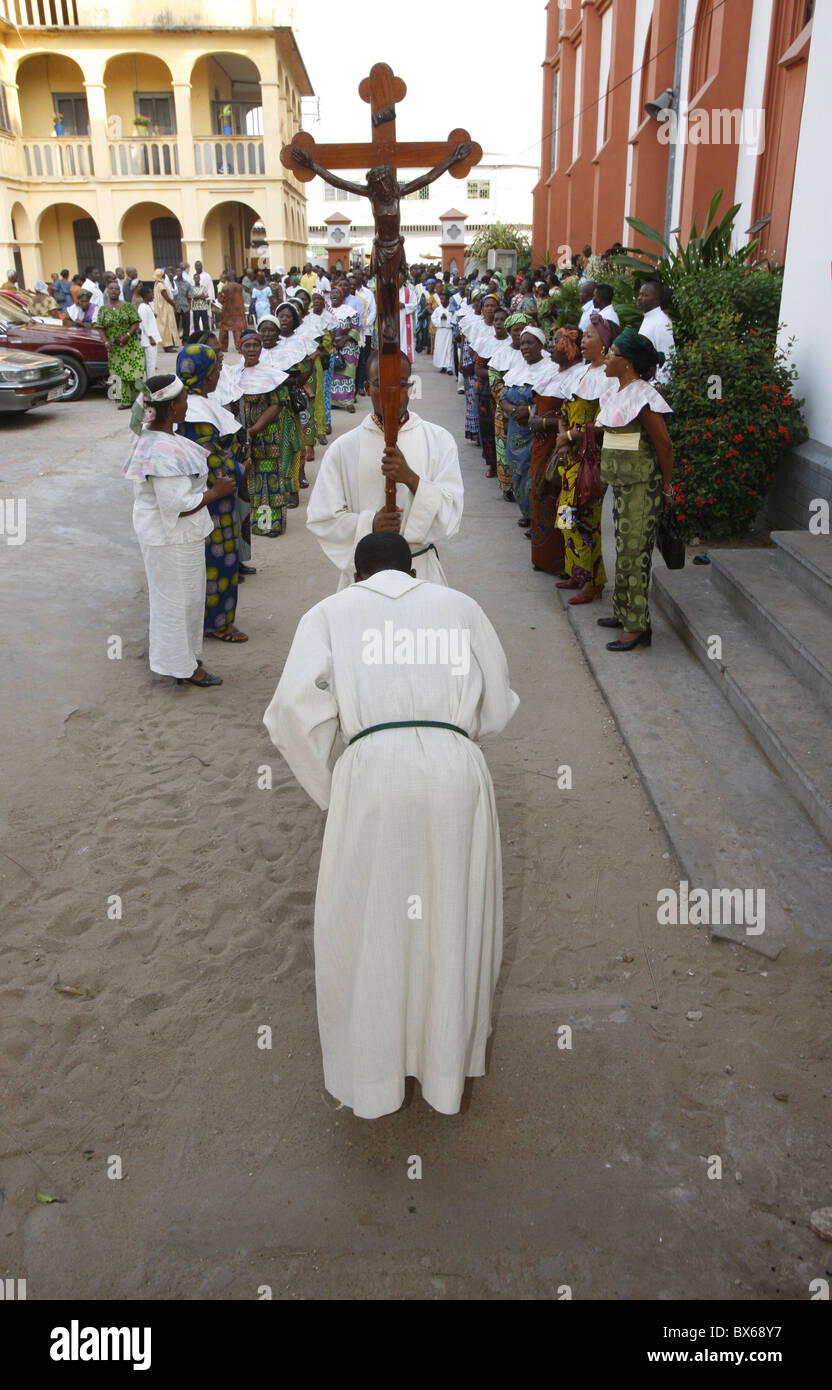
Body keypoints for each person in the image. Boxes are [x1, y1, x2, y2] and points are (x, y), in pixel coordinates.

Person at [263, 529, 519, 1119]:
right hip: (457, 773)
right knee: (450, 919)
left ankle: (377, 1079)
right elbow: (499, 704)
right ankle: (442, 1071)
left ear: (358, 574)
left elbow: (288, 717)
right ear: (414, 571)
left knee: (369, 925)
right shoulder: (461, 607)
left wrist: (335, 792)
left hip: (371, 774)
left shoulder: (328, 613)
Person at [307, 349, 464, 589]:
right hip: (365, 576)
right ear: (367, 388)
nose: (391, 393)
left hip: (419, 571)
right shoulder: (343, 448)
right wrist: (370, 525)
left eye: (400, 384)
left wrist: (411, 479)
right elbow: (322, 518)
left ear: (410, 387)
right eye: (381, 385)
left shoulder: (439, 440)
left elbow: (452, 513)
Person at [124, 374, 230, 688]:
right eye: (183, 400)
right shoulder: (160, 452)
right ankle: (184, 667)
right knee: (179, 601)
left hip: (171, 534)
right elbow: (176, 504)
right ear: (171, 409)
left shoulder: (155, 437)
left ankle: (175, 658)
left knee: (179, 599)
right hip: (171, 536)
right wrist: (217, 492)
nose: (187, 404)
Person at [596, 326, 674, 651]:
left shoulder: (644, 396)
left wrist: (667, 490)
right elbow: (621, 437)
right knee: (622, 550)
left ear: (627, 362)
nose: (606, 358)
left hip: (643, 486)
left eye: (612, 354)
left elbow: (664, 445)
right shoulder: (617, 391)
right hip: (623, 484)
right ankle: (623, 611)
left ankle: (638, 627)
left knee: (634, 554)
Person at [177, 343, 249, 643]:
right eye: (217, 369)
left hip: (194, 499)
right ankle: (218, 623)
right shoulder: (197, 415)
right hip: (212, 500)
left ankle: (204, 618)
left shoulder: (185, 405)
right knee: (220, 560)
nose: (220, 373)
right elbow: (212, 459)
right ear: (206, 376)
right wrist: (237, 467)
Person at [549, 315, 612, 603]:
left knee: (585, 518)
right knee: (566, 516)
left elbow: (607, 423)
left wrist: (571, 437)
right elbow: (563, 411)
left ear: (604, 344)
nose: (583, 341)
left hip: (589, 459)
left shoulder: (608, 378)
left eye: (589, 336)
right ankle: (576, 570)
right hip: (570, 457)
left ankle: (593, 582)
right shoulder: (580, 372)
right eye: (583, 336)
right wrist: (562, 440)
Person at [527, 325, 587, 574]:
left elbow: (572, 417)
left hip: (559, 447)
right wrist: (534, 417)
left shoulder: (578, 376)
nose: (551, 346)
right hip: (541, 446)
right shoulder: (552, 371)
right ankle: (543, 557)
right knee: (540, 498)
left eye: (557, 343)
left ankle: (564, 562)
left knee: (560, 502)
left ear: (570, 349)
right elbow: (536, 400)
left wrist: (541, 422)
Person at [232, 332, 296, 537]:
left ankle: (271, 524)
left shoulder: (270, 374)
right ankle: (252, 523)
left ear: (261, 348)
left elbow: (277, 404)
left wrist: (254, 429)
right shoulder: (233, 373)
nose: (251, 349)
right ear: (240, 348)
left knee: (269, 482)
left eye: (255, 345)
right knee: (248, 481)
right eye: (247, 345)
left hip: (267, 438)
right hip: (241, 437)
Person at [500, 326, 551, 526]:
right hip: (515, 431)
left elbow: (550, 402)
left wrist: (529, 411)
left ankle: (536, 516)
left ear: (540, 345)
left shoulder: (550, 370)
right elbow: (503, 398)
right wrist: (513, 411)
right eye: (522, 343)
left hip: (537, 433)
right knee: (518, 472)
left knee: (534, 474)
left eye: (530, 343)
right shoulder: (517, 370)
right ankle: (526, 512)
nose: (525, 347)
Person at [488, 307, 520, 499]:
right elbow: (494, 377)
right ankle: (508, 486)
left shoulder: (531, 350)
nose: (519, 333)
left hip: (527, 412)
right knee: (504, 447)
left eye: (523, 329)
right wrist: (508, 403)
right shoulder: (501, 353)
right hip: (505, 408)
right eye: (516, 329)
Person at [97, 278, 145, 409]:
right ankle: (124, 401)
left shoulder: (127, 306)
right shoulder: (103, 310)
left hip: (130, 345)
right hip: (115, 348)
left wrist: (127, 336)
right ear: (107, 291)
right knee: (117, 375)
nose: (113, 291)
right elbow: (100, 327)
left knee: (134, 373)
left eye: (116, 288)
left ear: (120, 291)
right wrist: (106, 341)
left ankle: (138, 400)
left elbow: (136, 322)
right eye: (111, 288)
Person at [328, 284, 361, 413]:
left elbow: (356, 328)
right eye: (332, 293)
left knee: (348, 374)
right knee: (333, 375)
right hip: (331, 346)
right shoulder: (327, 311)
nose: (334, 296)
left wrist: (344, 340)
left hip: (348, 346)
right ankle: (334, 402)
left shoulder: (350, 311)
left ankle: (348, 402)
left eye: (337, 293)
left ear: (342, 296)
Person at [637, 280, 674, 386]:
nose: (639, 298)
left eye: (645, 295)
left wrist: (660, 386)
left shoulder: (661, 322)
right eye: (639, 294)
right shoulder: (649, 317)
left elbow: (667, 357)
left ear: (656, 300)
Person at [134, 282, 160, 379]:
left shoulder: (147, 306)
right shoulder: (143, 307)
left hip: (152, 337)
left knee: (151, 364)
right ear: (146, 295)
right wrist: (150, 337)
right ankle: (151, 383)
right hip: (149, 340)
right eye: (151, 293)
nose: (152, 295)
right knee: (150, 365)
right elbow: (144, 323)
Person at [153, 268, 180, 353]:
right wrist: (173, 304)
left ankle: (170, 343)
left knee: (166, 326)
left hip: (162, 308)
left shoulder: (156, 284)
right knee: (167, 326)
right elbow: (166, 297)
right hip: (165, 308)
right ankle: (167, 345)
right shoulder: (161, 285)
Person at [218, 271, 246, 352]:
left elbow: (221, 299)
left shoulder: (225, 288)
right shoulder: (240, 287)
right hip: (238, 311)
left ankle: (223, 347)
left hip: (227, 312)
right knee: (237, 329)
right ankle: (239, 346)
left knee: (224, 328)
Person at [431, 290, 455, 373]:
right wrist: (440, 319)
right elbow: (433, 319)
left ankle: (449, 366)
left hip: (448, 331)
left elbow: (454, 320)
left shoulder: (451, 309)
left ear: (448, 299)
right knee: (440, 349)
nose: (442, 301)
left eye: (444, 299)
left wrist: (447, 319)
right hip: (440, 331)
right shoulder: (438, 309)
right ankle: (442, 365)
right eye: (441, 299)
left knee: (449, 348)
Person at [398, 269, 418, 362]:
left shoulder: (409, 292)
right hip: (394, 321)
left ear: (404, 279)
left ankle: (406, 361)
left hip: (405, 321)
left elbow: (415, 305)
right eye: (397, 278)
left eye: (401, 279)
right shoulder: (390, 291)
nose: (399, 280)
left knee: (405, 342)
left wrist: (404, 305)